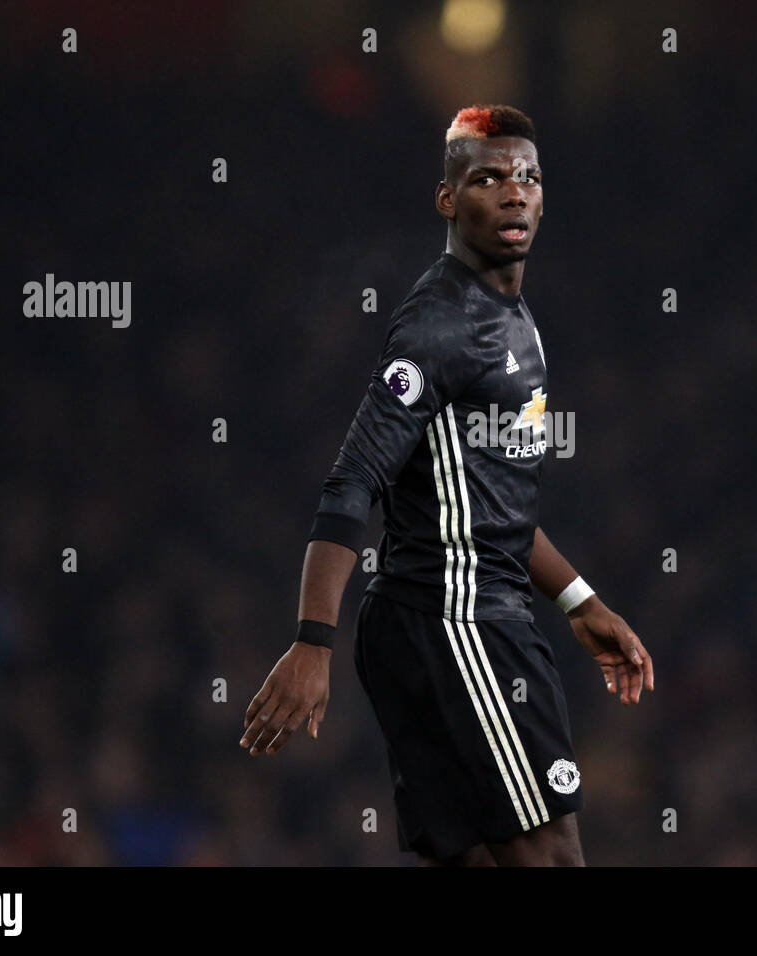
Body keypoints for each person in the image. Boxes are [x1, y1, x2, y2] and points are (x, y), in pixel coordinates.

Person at [240, 104, 654, 866]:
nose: (513, 193)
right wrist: (310, 640)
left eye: (527, 177)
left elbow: (491, 506)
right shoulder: (439, 327)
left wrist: (579, 602)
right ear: (448, 198)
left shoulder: (515, 320)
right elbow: (353, 477)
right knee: (550, 853)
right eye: (488, 178)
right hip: (458, 625)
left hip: (440, 621)